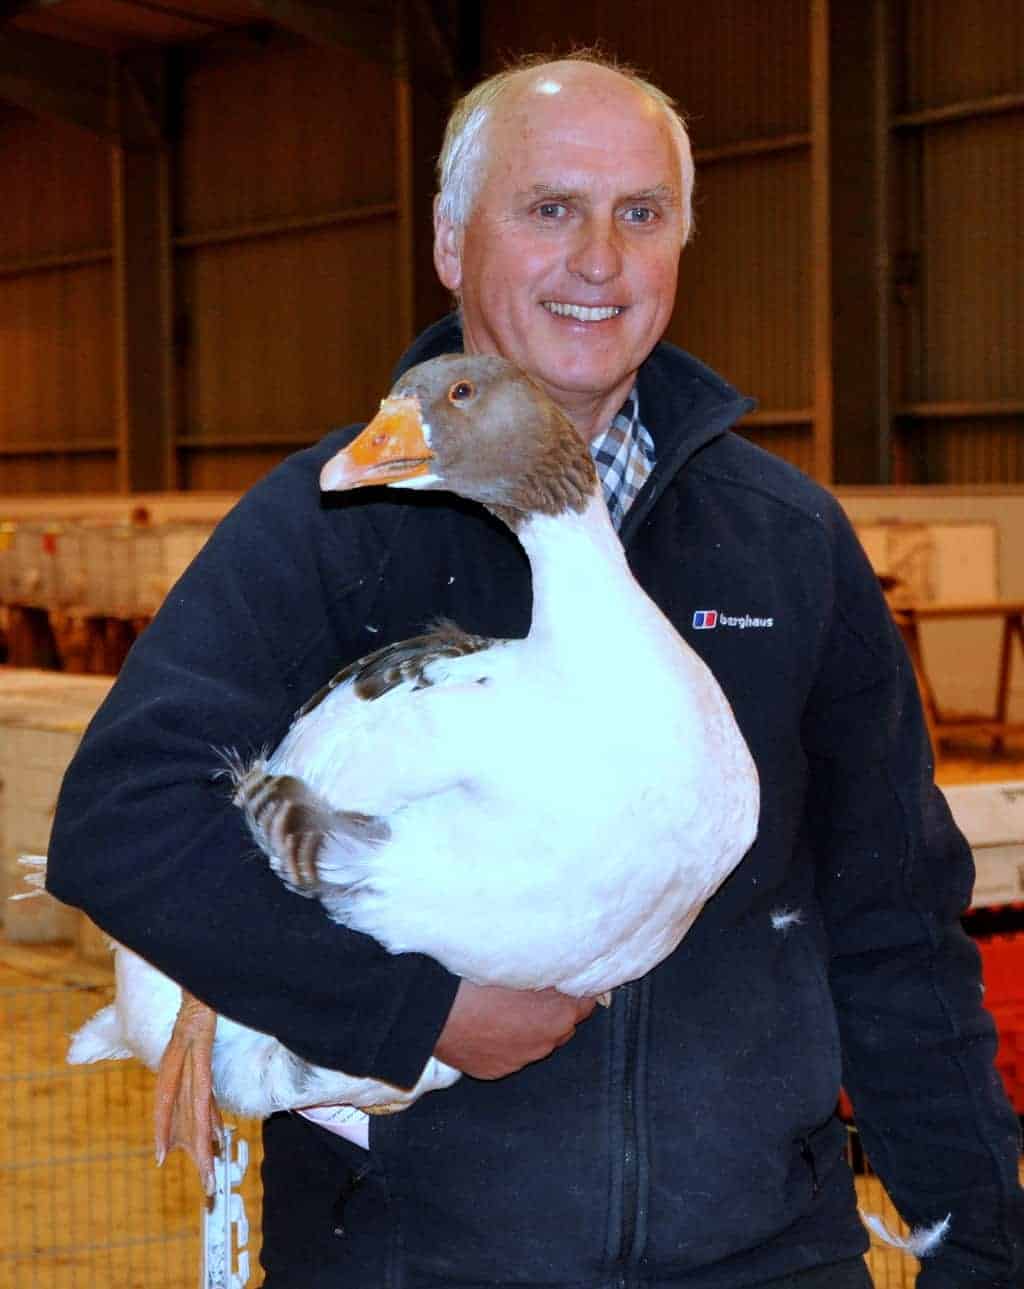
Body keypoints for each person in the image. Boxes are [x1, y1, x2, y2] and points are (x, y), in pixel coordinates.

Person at [46, 51, 1024, 1289]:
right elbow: (121, 824)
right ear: (453, 243)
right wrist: (419, 1016)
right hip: (411, 1261)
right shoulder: (324, 527)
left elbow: (891, 914)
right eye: (549, 208)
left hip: (765, 1252)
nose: (599, 260)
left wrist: (978, 1231)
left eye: (640, 214)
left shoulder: (787, 538)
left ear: (679, 244)